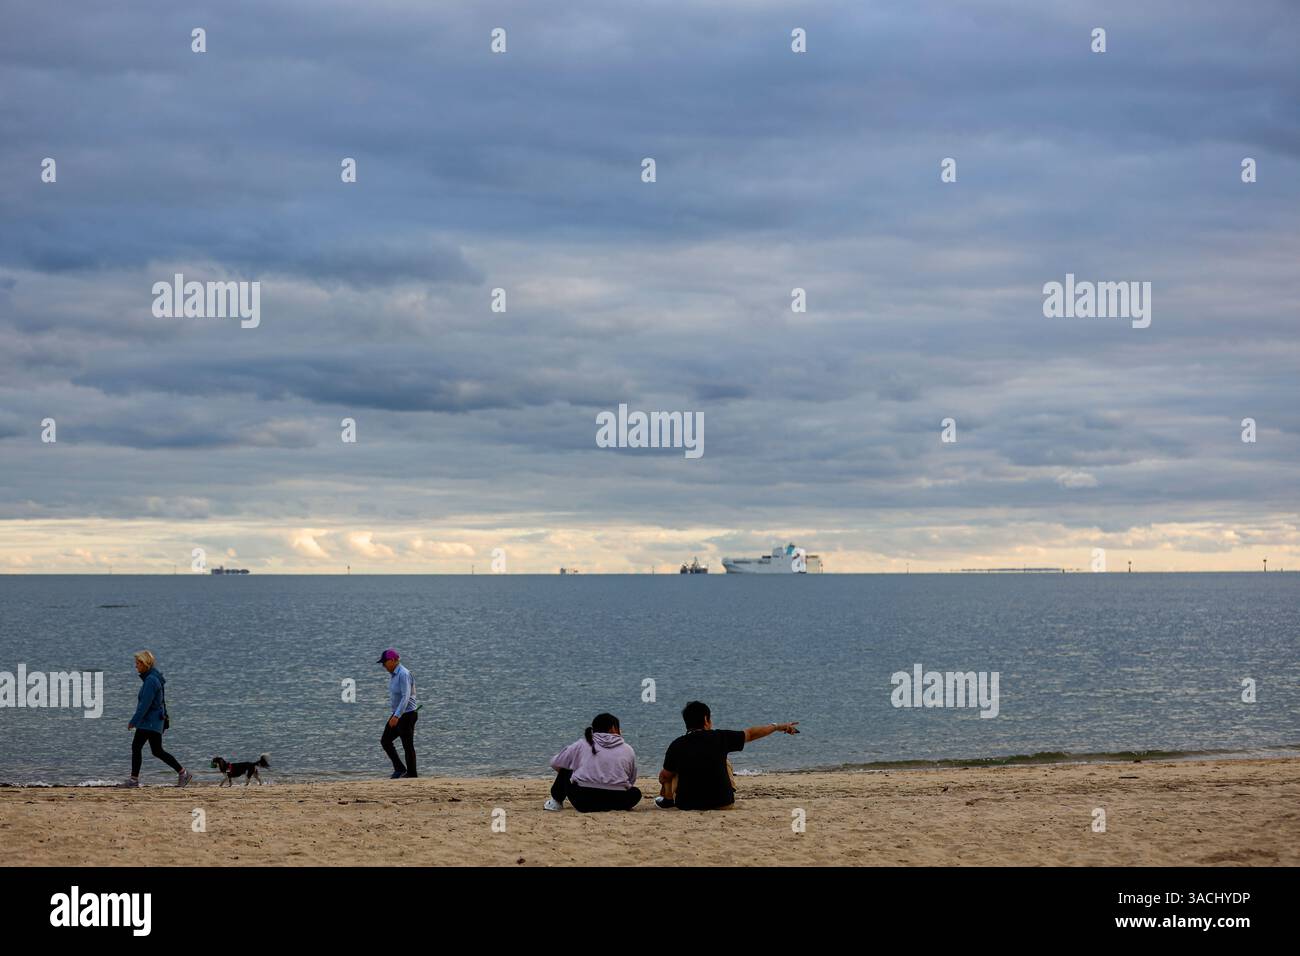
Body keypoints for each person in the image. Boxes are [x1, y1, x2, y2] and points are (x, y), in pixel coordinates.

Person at [656, 700, 798, 810]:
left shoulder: (677, 744)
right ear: (706, 720)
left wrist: (665, 780)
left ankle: (668, 800)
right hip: (723, 802)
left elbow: (665, 776)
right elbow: (751, 733)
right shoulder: (721, 737)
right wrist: (778, 726)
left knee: (669, 771)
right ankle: (727, 789)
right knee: (725, 762)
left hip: (687, 804)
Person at [544, 713, 641, 812]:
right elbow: (631, 779)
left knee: (567, 766)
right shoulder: (628, 749)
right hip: (619, 801)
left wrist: (577, 772)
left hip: (584, 801)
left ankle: (556, 803)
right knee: (636, 792)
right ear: (613, 728)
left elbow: (555, 762)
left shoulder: (581, 744)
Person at [125, 651, 192, 788]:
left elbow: (145, 704)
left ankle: (133, 780)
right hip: (154, 721)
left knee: (137, 747)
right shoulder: (153, 677)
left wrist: (134, 721)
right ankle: (183, 773)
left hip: (149, 722)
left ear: (144, 664)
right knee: (157, 750)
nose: (136, 666)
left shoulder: (151, 680)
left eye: (137, 663)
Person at [377, 648, 419, 778]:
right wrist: (396, 714)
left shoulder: (403, 674)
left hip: (407, 715)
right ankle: (400, 768)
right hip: (399, 714)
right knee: (385, 741)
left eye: (385, 662)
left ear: (393, 660)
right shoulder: (394, 674)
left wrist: (396, 716)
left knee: (407, 745)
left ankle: (412, 774)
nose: (383, 665)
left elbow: (405, 697)